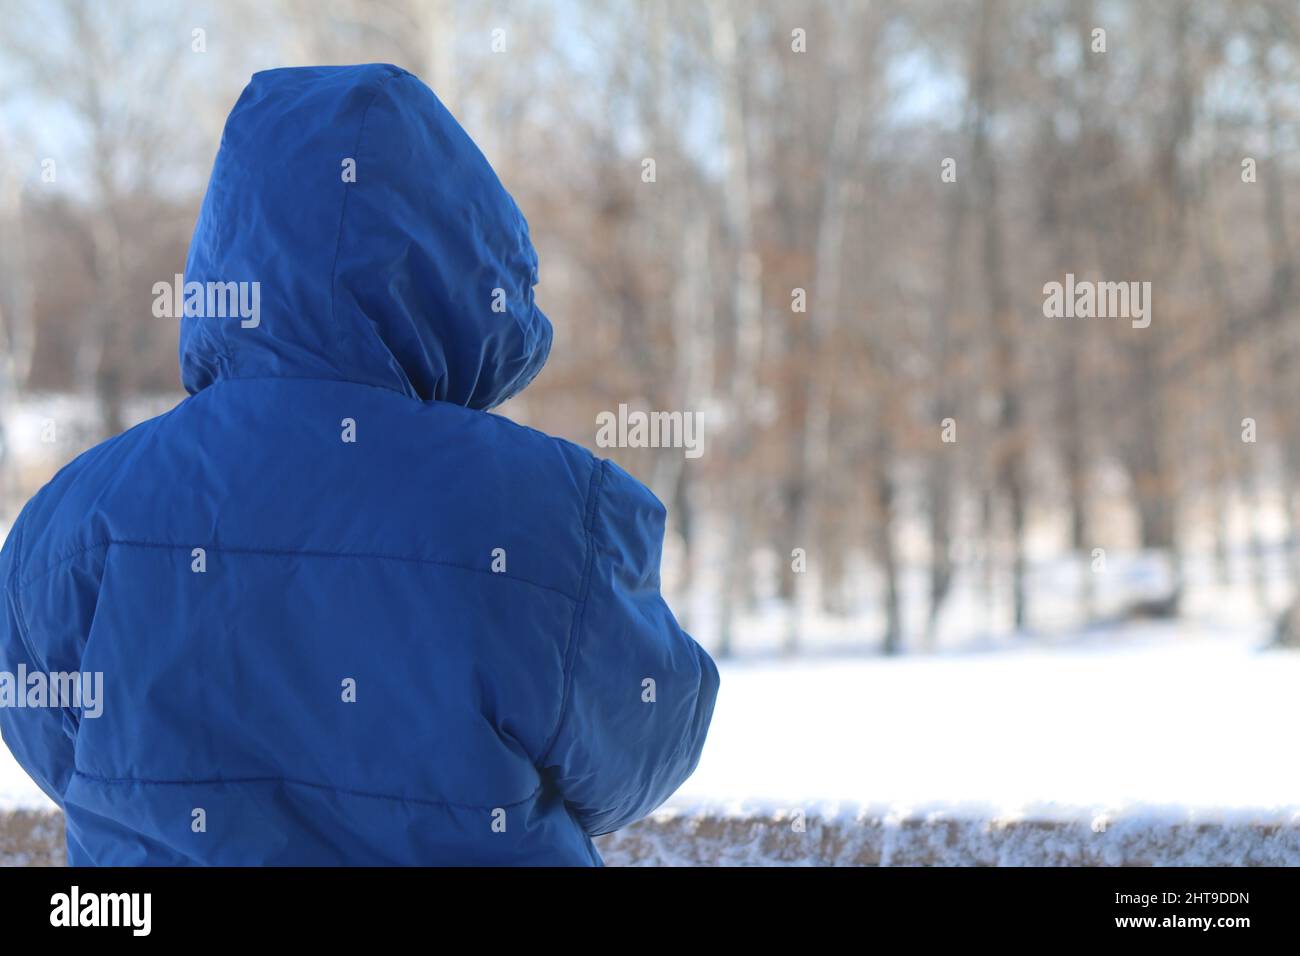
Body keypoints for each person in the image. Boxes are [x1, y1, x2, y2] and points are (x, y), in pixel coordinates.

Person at [0, 64, 718, 866]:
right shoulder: (548, 515)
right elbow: (643, 746)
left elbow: (55, 747)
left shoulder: (70, 524)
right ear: (460, 266)